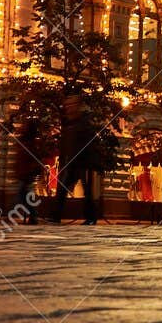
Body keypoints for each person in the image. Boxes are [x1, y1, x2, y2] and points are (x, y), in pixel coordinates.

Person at [54, 95, 101, 226]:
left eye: (71, 105)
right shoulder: (69, 123)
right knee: (64, 189)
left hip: (82, 162)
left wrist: (89, 161)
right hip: (72, 162)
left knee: (85, 191)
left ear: (77, 106)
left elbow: (89, 144)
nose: (68, 108)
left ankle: (91, 217)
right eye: (67, 105)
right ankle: (55, 216)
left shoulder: (83, 123)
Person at [10, 115, 42, 224]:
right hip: (23, 173)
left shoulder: (29, 143)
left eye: (25, 125)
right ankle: (33, 216)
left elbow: (31, 159)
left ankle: (13, 216)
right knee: (23, 196)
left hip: (26, 174)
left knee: (21, 195)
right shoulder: (25, 141)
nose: (22, 126)